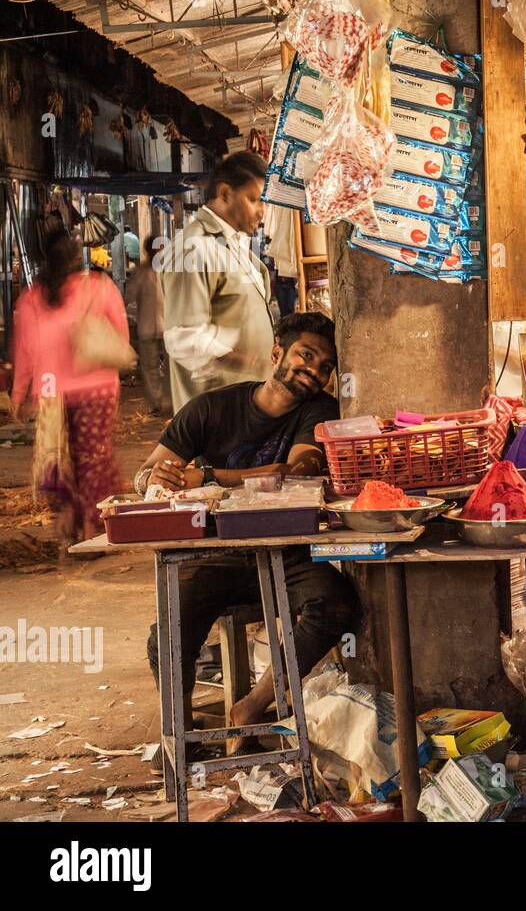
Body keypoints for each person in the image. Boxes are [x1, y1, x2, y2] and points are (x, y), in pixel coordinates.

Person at [137, 311, 356, 755]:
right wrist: (156, 477)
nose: (312, 370)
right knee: (167, 628)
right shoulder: (210, 409)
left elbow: (295, 474)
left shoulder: (320, 411)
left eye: (324, 366)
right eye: (305, 355)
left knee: (336, 605)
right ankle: (178, 733)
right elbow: (144, 476)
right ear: (278, 351)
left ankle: (252, 707)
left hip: (285, 551)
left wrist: (208, 478)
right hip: (219, 552)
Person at [10, 228, 129, 544]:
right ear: (78, 256)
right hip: (99, 389)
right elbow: (120, 336)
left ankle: (69, 523)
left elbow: (25, 351)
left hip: (50, 393)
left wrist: (18, 394)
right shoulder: (100, 287)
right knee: (93, 458)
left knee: (59, 460)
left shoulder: (32, 298)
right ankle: (95, 528)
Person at [158, 150, 273, 411]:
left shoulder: (233, 245)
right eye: (254, 200)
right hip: (219, 411)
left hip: (250, 402)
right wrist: (241, 360)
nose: (261, 212)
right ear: (224, 194)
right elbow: (183, 338)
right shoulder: (194, 248)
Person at [125, 232, 171, 417]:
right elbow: (129, 297)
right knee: (151, 368)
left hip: (166, 327)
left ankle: (166, 401)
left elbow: (129, 297)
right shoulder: (143, 272)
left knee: (168, 367)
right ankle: (156, 403)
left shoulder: (169, 271)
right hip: (150, 327)